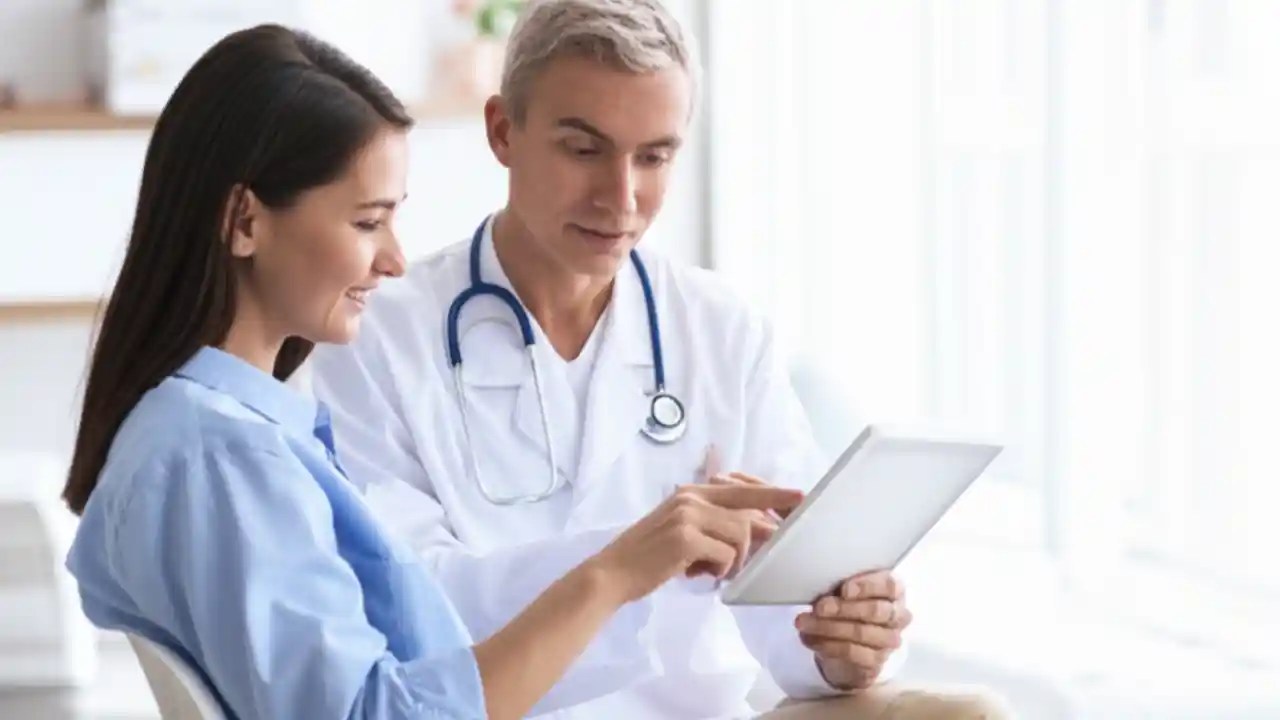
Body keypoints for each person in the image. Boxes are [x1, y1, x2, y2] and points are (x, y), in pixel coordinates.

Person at [60, 24, 807, 720]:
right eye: (366, 221)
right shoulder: (220, 457)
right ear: (247, 221)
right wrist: (614, 573)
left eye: (655, 155)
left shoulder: (228, 436)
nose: (393, 258)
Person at [312, 2, 1008, 718]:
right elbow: (412, 611)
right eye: (584, 150)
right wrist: (631, 555)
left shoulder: (719, 329)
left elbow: (791, 602)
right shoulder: (377, 338)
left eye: (654, 156)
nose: (622, 198)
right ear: (502, 132)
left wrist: (840, 643)